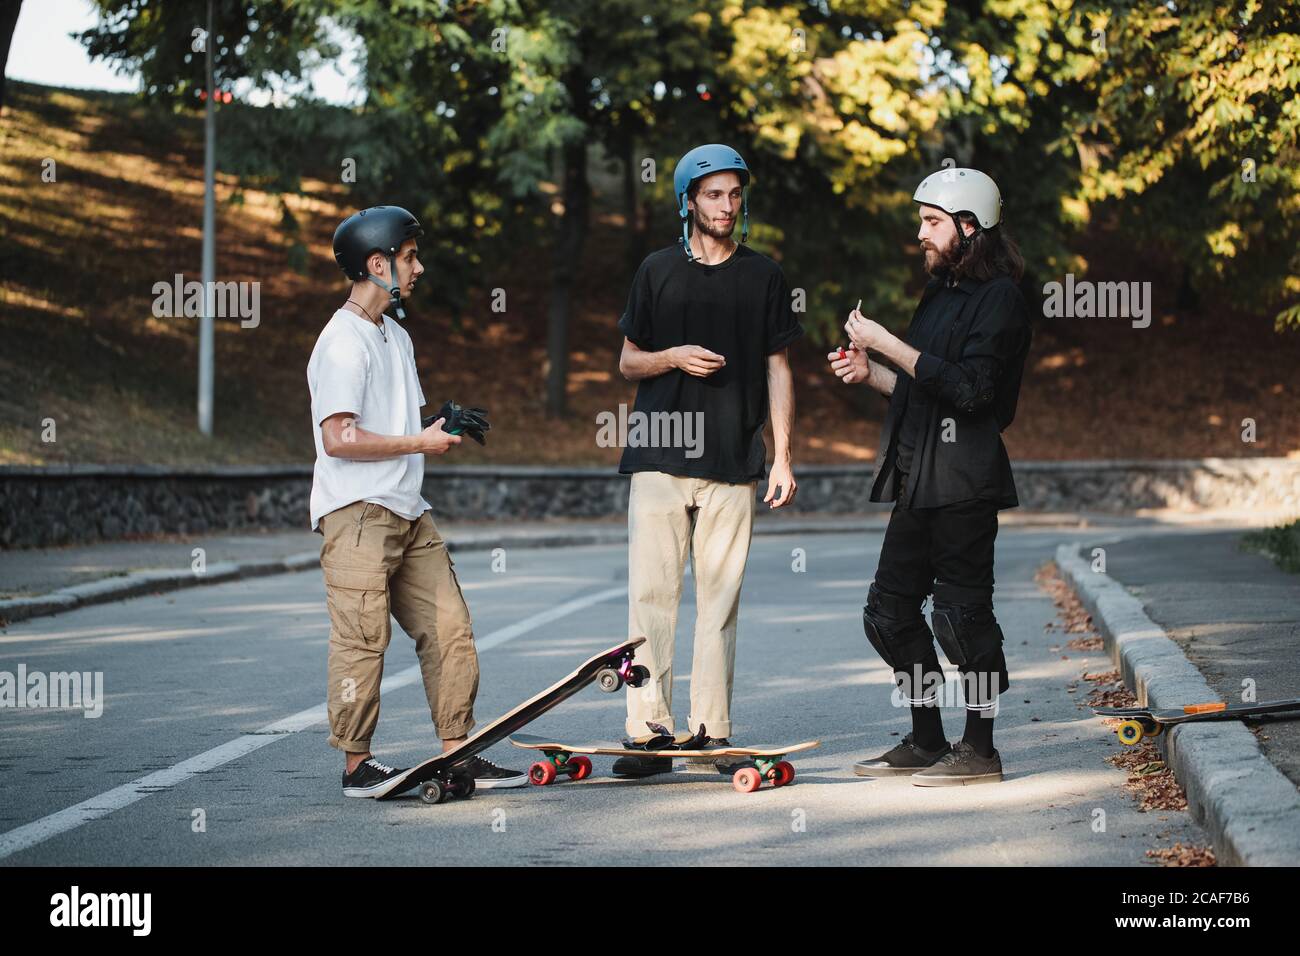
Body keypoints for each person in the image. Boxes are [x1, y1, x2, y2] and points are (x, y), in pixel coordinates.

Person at [308, 205, 525, 797]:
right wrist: (420, 439)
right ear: (376, 265)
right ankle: (357, 765)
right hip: (356, 514)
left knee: (450, 626)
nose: (418, 268)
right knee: (362, 639)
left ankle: (458, 751)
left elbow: (393, 423)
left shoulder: (394, 335)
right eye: (408, 258)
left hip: (407, 509)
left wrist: (440, 422)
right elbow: (339, 436)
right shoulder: (342, 342)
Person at [828, 168, 1031, 785]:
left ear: (969, 228)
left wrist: (887, 343)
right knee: (888, 612)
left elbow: (972, 393)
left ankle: (981, 749)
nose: (921, 233)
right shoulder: (941, 291)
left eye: (932, 221)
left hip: (966, 481)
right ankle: (925, 739)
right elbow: (926, 390)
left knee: (961, 617)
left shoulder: (1001, 299)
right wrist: (874, 375)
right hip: (919, 476)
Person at [613, 144, 803, 776]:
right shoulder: (657, 270)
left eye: (733, 194)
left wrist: (781, 456)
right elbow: (628, 360)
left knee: (720, 601)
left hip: (734, 458)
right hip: (660, 455)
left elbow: (779, 368)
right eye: (713, 194)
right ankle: (648, 733)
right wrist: (673, 356)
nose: (726, 205)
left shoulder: (765, 276)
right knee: (651, 597)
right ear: (688, 200)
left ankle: (710, 732)